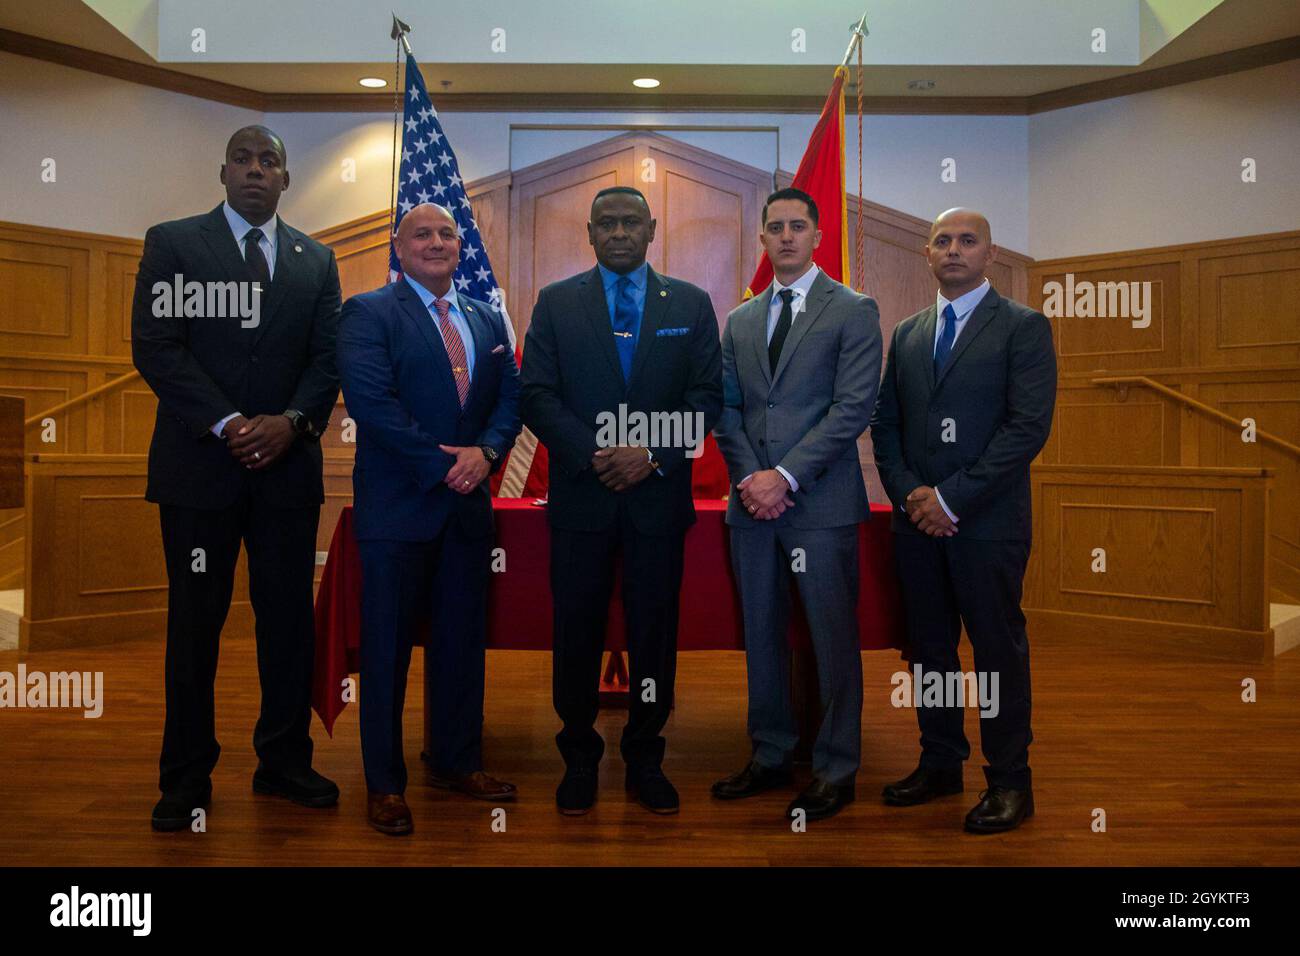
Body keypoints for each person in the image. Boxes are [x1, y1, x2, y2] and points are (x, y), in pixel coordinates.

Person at [132, 125, 342, 831]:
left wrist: (292, 421)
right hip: (200, 471)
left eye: (270, 161)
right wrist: (228, 423)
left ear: (285, 178)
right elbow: (157, 347)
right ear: (223, 172)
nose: (256, 171)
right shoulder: (174, 243)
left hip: (287, 473)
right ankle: (186, 777)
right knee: (195, 627)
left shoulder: (318, 260)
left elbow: (328, 359)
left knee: (287, 625)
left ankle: (283, 761)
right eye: (244, 160)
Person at [520, 186, 722, 815]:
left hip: (657, 503)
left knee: (654, 634)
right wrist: (597, 453)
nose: (618, 232)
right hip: (583, 496)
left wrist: (651, 456)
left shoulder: (690, 302)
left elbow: (707, 399)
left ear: (652, 228)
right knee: (574, 630)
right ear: (589, 232)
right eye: (605, 223)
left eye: (630, 222)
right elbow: (537, 394)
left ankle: (645, 754)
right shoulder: (556, 303)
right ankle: (578, 754)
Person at [336, 203, 521, 836]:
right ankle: (385, 784)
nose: (437, 242)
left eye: (447, 233)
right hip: (399, 511)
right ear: (398, 246)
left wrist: (488, 452)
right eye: (423, 234)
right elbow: (371, 403)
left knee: (461, 646)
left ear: (461, 245)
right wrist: (444, 464)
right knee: (386, 651)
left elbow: (510, 399)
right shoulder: (368, 313)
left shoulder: (484, 315)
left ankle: (454, 760)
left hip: (467, 513)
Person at [870, 207, 1057, 833]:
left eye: (967, 240)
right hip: (916, 525)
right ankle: (940, 762)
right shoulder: (910, 331)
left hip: (986, 524)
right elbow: (886, 426)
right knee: (930, 653)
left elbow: (1026, 429)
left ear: (990, 253)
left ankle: (1010, 782)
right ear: (927, 254)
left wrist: (951, 499)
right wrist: (911, 497)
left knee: (996, 654)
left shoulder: (1024, 328)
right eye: (942, 241)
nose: (954, 249)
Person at [711, 187, 882, 822]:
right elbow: (724, 408)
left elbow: (852, 408)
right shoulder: (741, 319)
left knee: (832, 640)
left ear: (816, 236)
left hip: (820, 505)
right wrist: (753, 478)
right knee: (762, 636)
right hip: (750, 507)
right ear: (763, 239)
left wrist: (783, 475)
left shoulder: (853, 310)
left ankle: (837, 768)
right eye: (775, 228)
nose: (786, 237)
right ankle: (771, 753)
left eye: (797, 227)